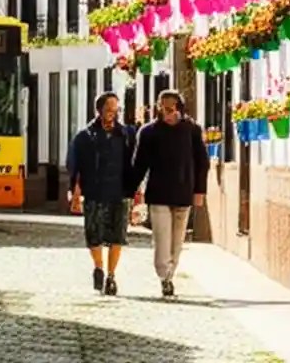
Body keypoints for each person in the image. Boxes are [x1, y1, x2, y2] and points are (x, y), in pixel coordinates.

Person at [129, 89, 209, 298]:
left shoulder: (191, 130)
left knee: (177, 240)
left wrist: (199, 191)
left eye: (171, 108)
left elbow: (202, 162)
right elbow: (139, 165)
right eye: (163, 108)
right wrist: (131, 191)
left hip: (184, 192)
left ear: (180, 109)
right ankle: (164, 275)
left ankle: (170, 274)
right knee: (162, 238)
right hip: (158, 194)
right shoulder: (149, 132)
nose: (167, 112)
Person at [66, 92, 136, 296]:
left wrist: (134, 190)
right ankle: (99, 267)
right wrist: (75, 193)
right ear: (99, 110)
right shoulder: (85, 136)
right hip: (94, 191)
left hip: (119, 191)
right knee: (93, 234)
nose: (112, 114)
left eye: (115, 110)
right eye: (108, 109)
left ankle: (111, 276)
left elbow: (133, 164)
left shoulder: (125, 135)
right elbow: (74, 166)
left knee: (118, 236)